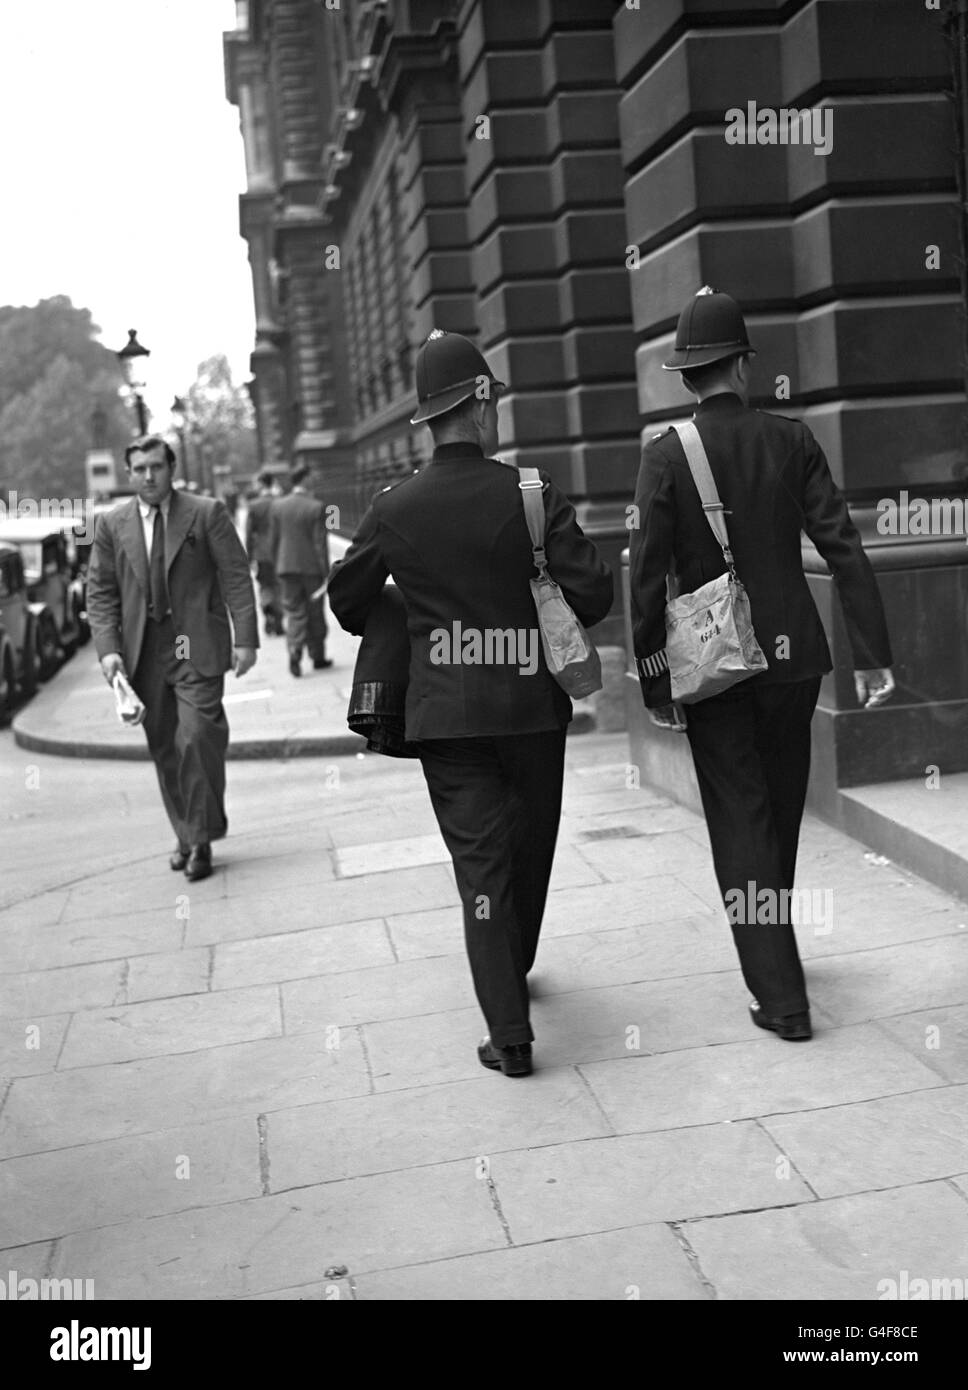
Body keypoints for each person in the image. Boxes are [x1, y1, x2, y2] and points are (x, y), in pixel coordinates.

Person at [328, 330, 613, 1077]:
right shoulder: (530, 494)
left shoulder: (394, 507)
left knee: (480, 867)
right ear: (482, 404)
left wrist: (408, 605)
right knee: (530, 850)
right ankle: (510, 972)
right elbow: (595, 595)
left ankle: (509, 1035)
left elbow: (347, 602)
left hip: (447, 718)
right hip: (531, 708)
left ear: (428, 420)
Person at [629, 288, 894, 1041]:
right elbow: (843, 545)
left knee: (740, 822)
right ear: (744, 365)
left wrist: (654, 679)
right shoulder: (793, 440)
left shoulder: (664, 458)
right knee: (777, 812)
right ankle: (774, 949)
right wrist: (872, 653)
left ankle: (781, 998)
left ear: (686, 377)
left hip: (714, 665)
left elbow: (646, 578)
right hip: (794, 659)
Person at [86, 435, 259, 882]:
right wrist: (108, 653)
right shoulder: (111, 525)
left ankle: (200, 839)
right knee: (165, 749)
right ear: (129, 473)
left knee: (198, 737)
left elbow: (236, 575)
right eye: (140, 468)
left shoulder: (206, 513)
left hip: (195, 646)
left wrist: (246, 639)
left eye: (156, 467)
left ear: (171, 467)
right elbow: (101, 593)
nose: (148, 476)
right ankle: (185, 833)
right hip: (143, 653)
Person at [270, 464, 331, 677]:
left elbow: (274, 540)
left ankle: (295, 649)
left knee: (294, 611)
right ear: (304, 479)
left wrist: (275, 565)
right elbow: (320, 544)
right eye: (311, 477)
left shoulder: (277, 506)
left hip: (286, 567)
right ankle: (318, 656)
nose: (313, 480)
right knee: (315, 613)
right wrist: (326, 573)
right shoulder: (316, 506)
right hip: (311, 568)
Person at [245, 469, 284, 635]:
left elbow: (248, 533)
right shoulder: (281, 502)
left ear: (261, 484)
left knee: (264, 585)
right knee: (279, 586)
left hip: (261, 552)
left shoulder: (254, 505)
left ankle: (266, 607)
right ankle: (279, 620)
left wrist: (249, 556)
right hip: (280, 551)